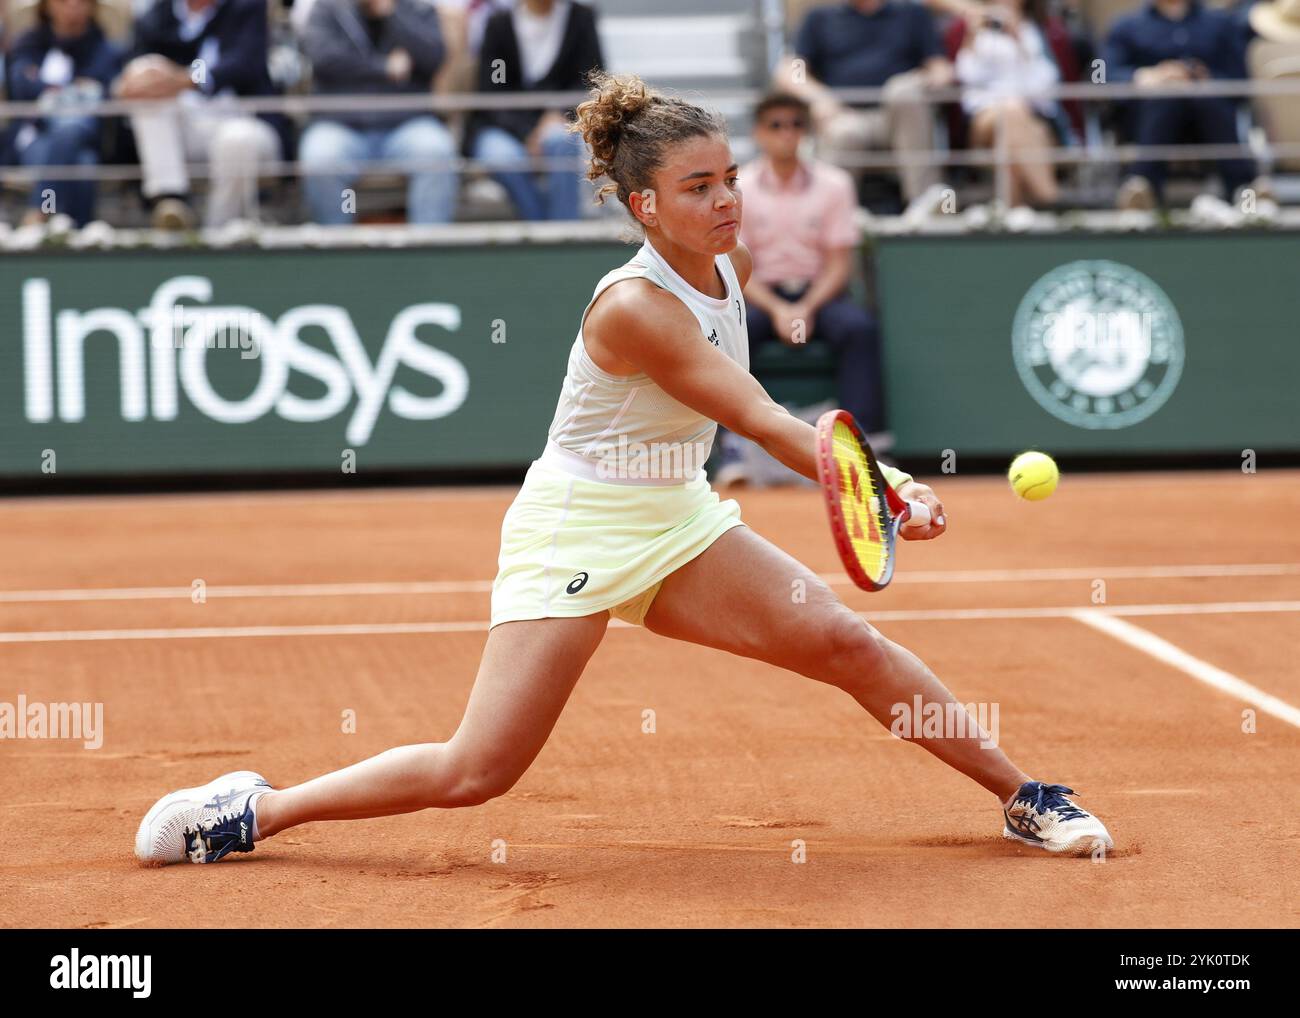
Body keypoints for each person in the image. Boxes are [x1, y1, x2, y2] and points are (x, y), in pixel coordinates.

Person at [134, 71, 1114, 869]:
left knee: (847, 645)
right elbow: (757, 415)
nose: (727, 198)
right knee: (479, 770)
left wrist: (869, 481)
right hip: (579, 527)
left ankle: (1022, 795)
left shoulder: (721, 261)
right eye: (699, 188)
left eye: (728, 177)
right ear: (644, 205)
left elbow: (743, 421)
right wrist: (882, 485)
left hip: (677, 515)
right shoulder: (634, 308)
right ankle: (256, 810)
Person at [738, 91, 885, 445]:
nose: (786, 133)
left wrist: (804, 308)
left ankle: (865, 446)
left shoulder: (835, 184)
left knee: (859, 330)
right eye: (776, 125)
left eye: (795, 124)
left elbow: (839, 264)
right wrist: (778, 309)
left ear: (807, 131)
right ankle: (735, 449)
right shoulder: (737, 186)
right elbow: (736, 267)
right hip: (760, 295)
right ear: (759, 132)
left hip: (820, 293)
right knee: (729, 334)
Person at [115, 0, 290, 229]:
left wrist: (188, 79)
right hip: (185, 126)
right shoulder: (157, 15)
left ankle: (216, 233)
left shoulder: (246, 7)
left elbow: (244, 63)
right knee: (143, 69)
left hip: (246, 119)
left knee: (237, 139)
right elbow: (130, 66)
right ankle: (171, 200)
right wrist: (132, 84)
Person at [774, 0, 955, 212]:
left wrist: (920, 82)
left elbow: (941, 69)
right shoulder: (820, 18)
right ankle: (831, 214)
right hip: (845, 115)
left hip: (899, 116)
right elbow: (790, 70)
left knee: (903, 92)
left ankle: (924, 203)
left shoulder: (913, 14)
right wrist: (818, 97)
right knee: (844, 132)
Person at [298, 0, 459, 226]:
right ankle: (339, 252)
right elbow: (323, 59)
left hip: (407, 124)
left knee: (436, 151)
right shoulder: (327, 8)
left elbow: (433, 57)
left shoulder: (418, 9)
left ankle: (427, 252)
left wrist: (392, 15)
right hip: (341, 125)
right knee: (321, 158)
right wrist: (383, 67)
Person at [1103, 0, 1259, 208]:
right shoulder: (1125, 26)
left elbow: (1240, 80)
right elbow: (1100, 75)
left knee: (1207, 97)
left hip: (1208, 119)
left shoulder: (1221, 24)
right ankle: (1141, 189)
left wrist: (1205, 78)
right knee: (1167, 97)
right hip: (1149, 121)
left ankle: (1244, 191)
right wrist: (1148, 76)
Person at [465, 0, 602, 221]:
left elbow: (591, 81)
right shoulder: (499, 25)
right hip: (504, 127)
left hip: (561, 122)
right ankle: (547, 230)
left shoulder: (580, 19)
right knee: (502, 158)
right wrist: (527, 132)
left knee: (561, 141)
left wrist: (558, 114)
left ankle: (563, 232)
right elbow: (493, 90)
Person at [6, 0, 122, 226]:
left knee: (71, 128)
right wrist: (76, 90)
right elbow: (23, 86)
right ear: (47, 6)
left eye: (80, 2)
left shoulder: (105, 48)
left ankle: (42, 211)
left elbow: (105, 92)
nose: (72, 6)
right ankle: (76, 234)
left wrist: (51, 91)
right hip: (36, 137)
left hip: (86, 137)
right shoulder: (27, 44)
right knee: (83, 164)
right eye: (63, 1)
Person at [951, 0, 1065, 208]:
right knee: (1010, 111)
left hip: (1033, 120)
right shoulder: (971, 29)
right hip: (984, 119)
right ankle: (1052, 203)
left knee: (1009, 140)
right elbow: (965, 78)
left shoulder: (1043, 30)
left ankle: (1009, 218)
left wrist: (1019, 42)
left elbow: (1046, 90)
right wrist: (972, 37)